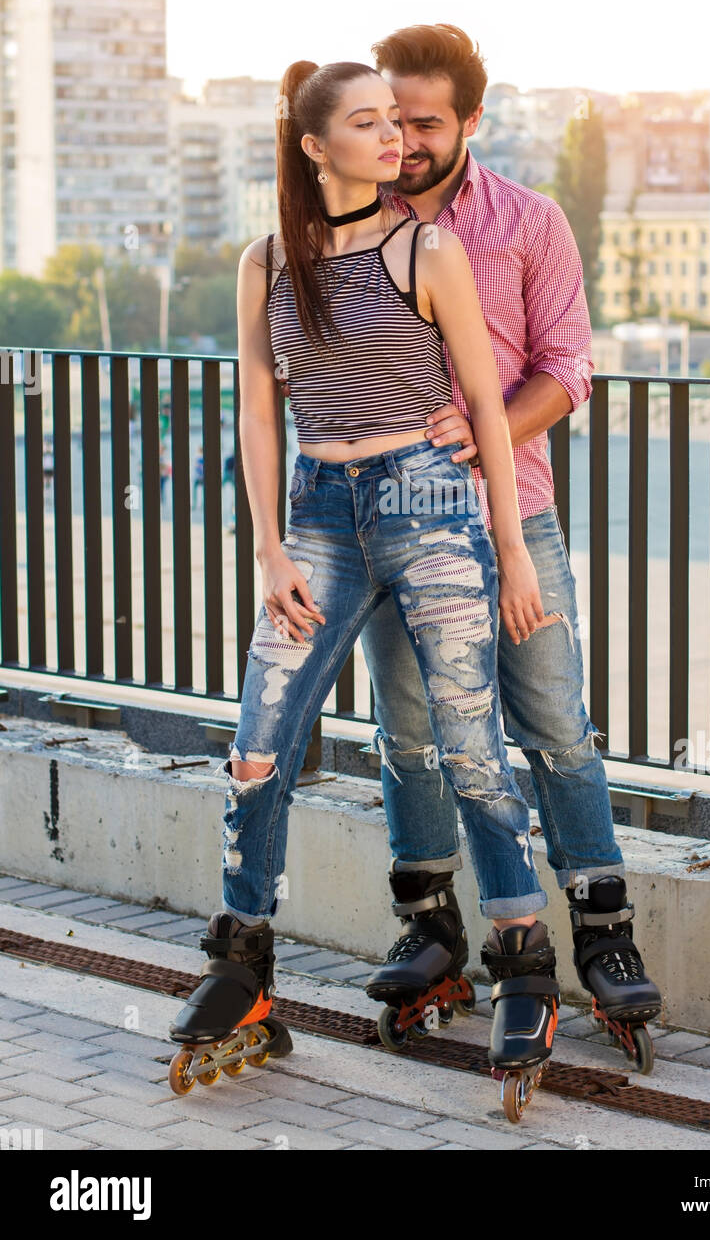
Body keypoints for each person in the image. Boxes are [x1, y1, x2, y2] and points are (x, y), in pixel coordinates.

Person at [168, 59, 559, 1092]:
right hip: (317, 516)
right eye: (365, 121)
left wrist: (511, 554)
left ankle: (522, 956)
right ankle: (242, 960)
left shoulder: (427, 247)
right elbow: (256, 411)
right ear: (311, 145)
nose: (391, 136)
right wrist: (264, 548)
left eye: (396, 120)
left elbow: (484, 403)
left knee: (469, 745)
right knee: (258, 746)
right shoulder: (265, 261)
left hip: (430, 506)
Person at [277, 25, 661, 1050]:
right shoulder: (351, 223)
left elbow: (566, 369)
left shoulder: (529, 223)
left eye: (423, 121)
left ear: (470, 123)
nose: (400, 136)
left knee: (553, 727)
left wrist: (478, 424)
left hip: (512, 513)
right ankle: (430, 927)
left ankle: (603, 931)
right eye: (387, 117)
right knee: (408, 731)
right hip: (387, 524)